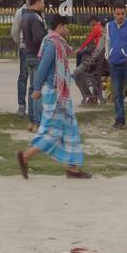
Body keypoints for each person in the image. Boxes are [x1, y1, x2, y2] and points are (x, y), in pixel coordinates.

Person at [16, 15, 91, 180]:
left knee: (71, 129)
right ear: (60, 26)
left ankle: (73, 168)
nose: (68, 30)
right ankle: (25, 156)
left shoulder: (59, 44)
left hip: (61, 93)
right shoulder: (53, 44)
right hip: (54, 93)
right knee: (53, 132)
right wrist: (37, 88)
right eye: (66, 26)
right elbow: (42, 67)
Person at [21, 0, 47, 132]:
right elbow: (38, 37)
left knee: (31, 89)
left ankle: (31, 121)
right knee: (37, 89)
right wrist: (47, 33)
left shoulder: (25, 16)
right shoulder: (36, 17)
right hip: (37, 55)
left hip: (28, 55)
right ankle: (38, 121)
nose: (44, 5)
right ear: (37, 2)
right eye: (43, 2)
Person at [10, 0, 30, 117]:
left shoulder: (38, 12)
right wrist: (21, 44)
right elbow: (15, 31)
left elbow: (14, 32)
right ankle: (22, 105)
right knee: (24, 77)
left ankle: (26, 107)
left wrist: (20, 43)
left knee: (26, 77)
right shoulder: (21, 12)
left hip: (29, 48)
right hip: (27, 48)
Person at [73, 35, 105, 105]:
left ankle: (88, 96)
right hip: (101, 65)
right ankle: (91, 97)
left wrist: (90, 59)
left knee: (76, 73)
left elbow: (98, 52)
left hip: (94, 64)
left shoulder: (104, 37)